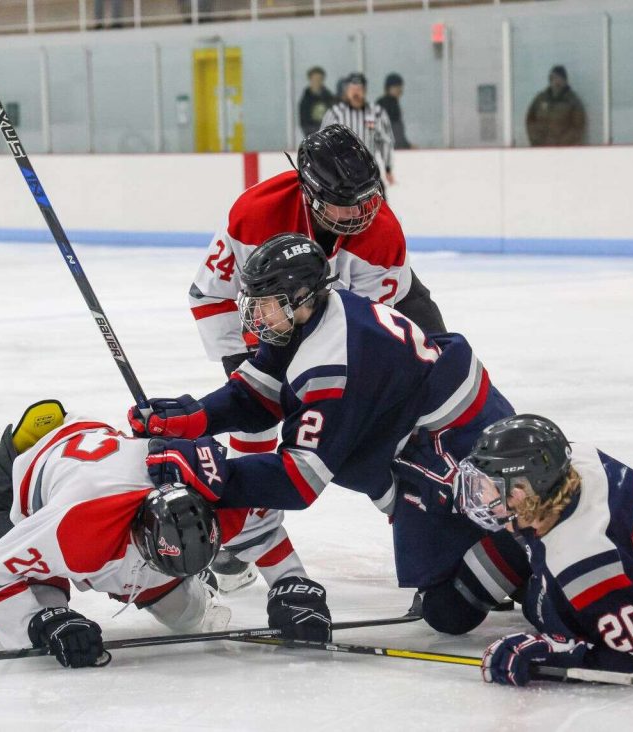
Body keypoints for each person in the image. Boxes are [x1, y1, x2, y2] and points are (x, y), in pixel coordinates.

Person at [134, 234, 530, 636]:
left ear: (301, 297)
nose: (256, 314)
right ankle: (507, 551)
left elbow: (298, 482)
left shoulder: (331, 364)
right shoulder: (310, 316)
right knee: (454, 585)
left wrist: (216, 477)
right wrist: (197, 417)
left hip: (451, 450)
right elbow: (257, 396)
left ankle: (522, 548)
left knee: (448, 609)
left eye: (265, 303)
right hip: (416, 432)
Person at [189, 124, 445, 589]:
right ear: (308, 192)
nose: (362, 213)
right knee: (255, 417)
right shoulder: (256, 213)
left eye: (368, 198)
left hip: (386, 314)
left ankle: (443, 551)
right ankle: (245, 538)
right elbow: (210, 296)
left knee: (402, 435)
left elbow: (364, 335)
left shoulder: (380, 234)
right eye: (345, 202)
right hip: (284, 322)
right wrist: (251, 375)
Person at [0, 399, 331, 666]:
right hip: (22, 481)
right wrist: (44, 623)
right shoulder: (78, 527)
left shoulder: (213, 494)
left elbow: (262, 525)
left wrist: (291, 585)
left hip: (108, 483)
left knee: (191, 617)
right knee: (45, 599)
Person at [455, 414, 633, 686]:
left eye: (490, 486)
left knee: (538, 606)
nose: (482, 495)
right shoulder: (580, 459)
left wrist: (556, 653)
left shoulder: (580, 557)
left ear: (525, 490)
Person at [320, 73, 395, 191]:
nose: (355, 92)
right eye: (352, 89)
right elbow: (323, 142)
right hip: (342, 176)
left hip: (370, 174)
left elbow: (385, 142)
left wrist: (388, 168)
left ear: (365, 90)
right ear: (346, 91)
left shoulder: (377, 113)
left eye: (359, 89)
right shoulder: (335, 113)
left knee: (379, 208)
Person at [525, 65, 586, 147]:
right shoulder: (540, 99)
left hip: (563, 151)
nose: (556, 81)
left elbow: (578, 127)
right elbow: (530, 120)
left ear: (565, 81)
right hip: (540, 148)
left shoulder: (573, 101)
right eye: (553, 78)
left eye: (560, 78)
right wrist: (536, 139)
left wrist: (561, 144)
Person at [375, 73, 413, 150]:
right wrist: (406, 146)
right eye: (397, 87)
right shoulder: (389, 103)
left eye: (400, 87)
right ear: (389, 88)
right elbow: (395, 131)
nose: (400, 90)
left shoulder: (383, 102)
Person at [298, 66, 335, 138]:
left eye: (319, 79)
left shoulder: (329, 98)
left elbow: (334, 117)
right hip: (312, 136)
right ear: (310, 79)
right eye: (314, 79)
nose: (317, 81)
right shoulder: (305, 101)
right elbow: (304, 122)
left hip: (328, 136)